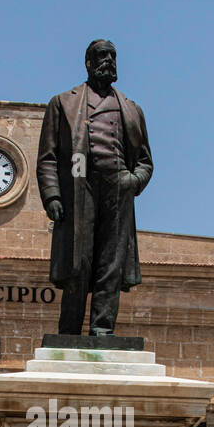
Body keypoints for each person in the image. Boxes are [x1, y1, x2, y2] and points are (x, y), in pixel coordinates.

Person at [36, 39, 154, 336]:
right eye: (102, 56)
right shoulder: (63, 102)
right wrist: (52, 196)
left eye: (113, 56)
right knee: (79, 261)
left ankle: (103, 329)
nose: (109, 61)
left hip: (117, 191)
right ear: (88, 63)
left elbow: (145, 161)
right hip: (80, 188)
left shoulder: (131, 109)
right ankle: (70, 330)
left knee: (110, 261)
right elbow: (47, 158)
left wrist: (133, 181)